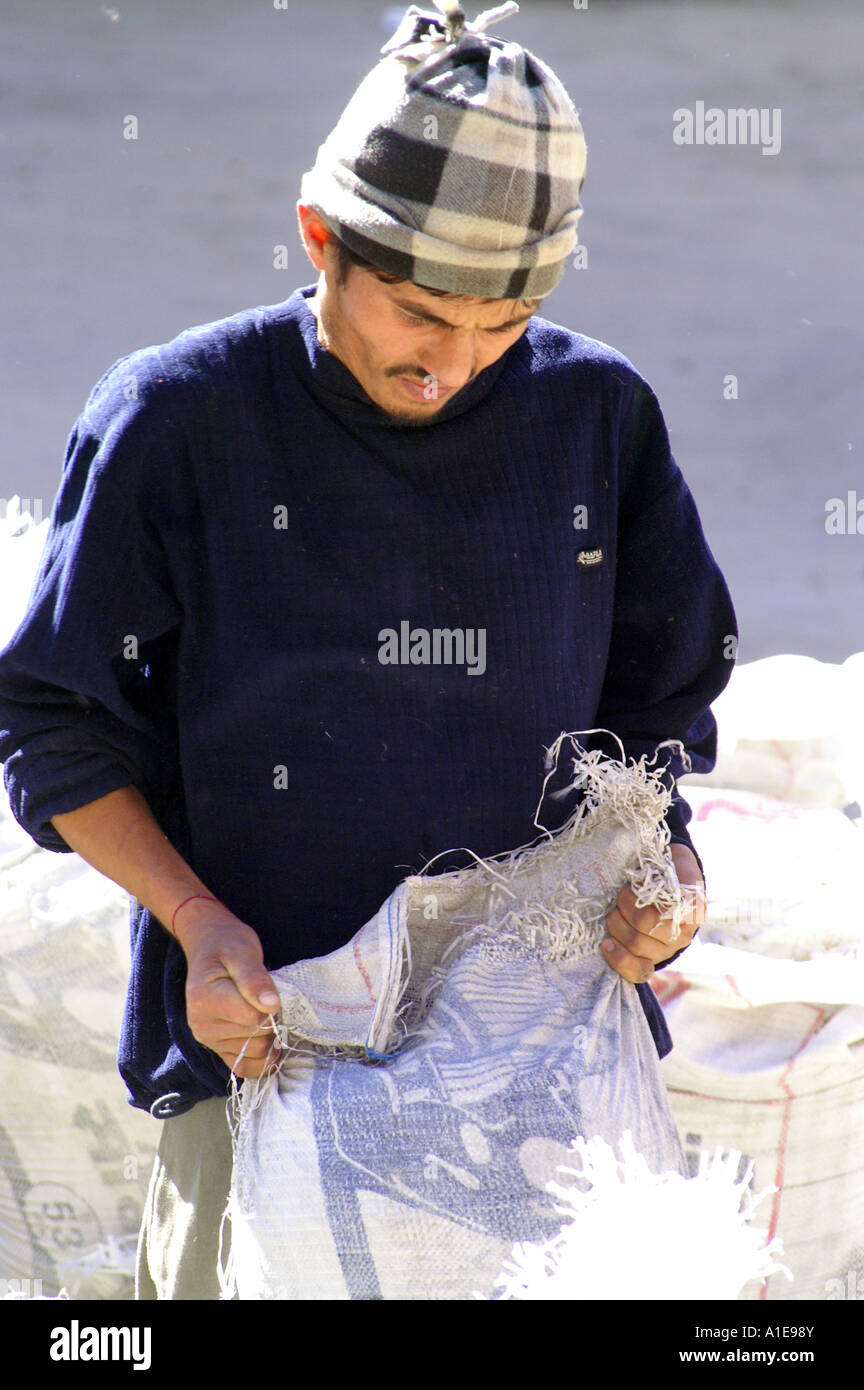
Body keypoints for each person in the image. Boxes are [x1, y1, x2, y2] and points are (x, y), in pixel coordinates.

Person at [0, 0, 734, 1299]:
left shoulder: (594, 417)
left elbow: (657, 718)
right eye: (417, 312)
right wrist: (198, 920)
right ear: (320, 236)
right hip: (261, 1054)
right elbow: (52, 724)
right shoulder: (179, 423)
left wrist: (662, 872)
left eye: (502, 325)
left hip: (537, 1086)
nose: (452, 364)